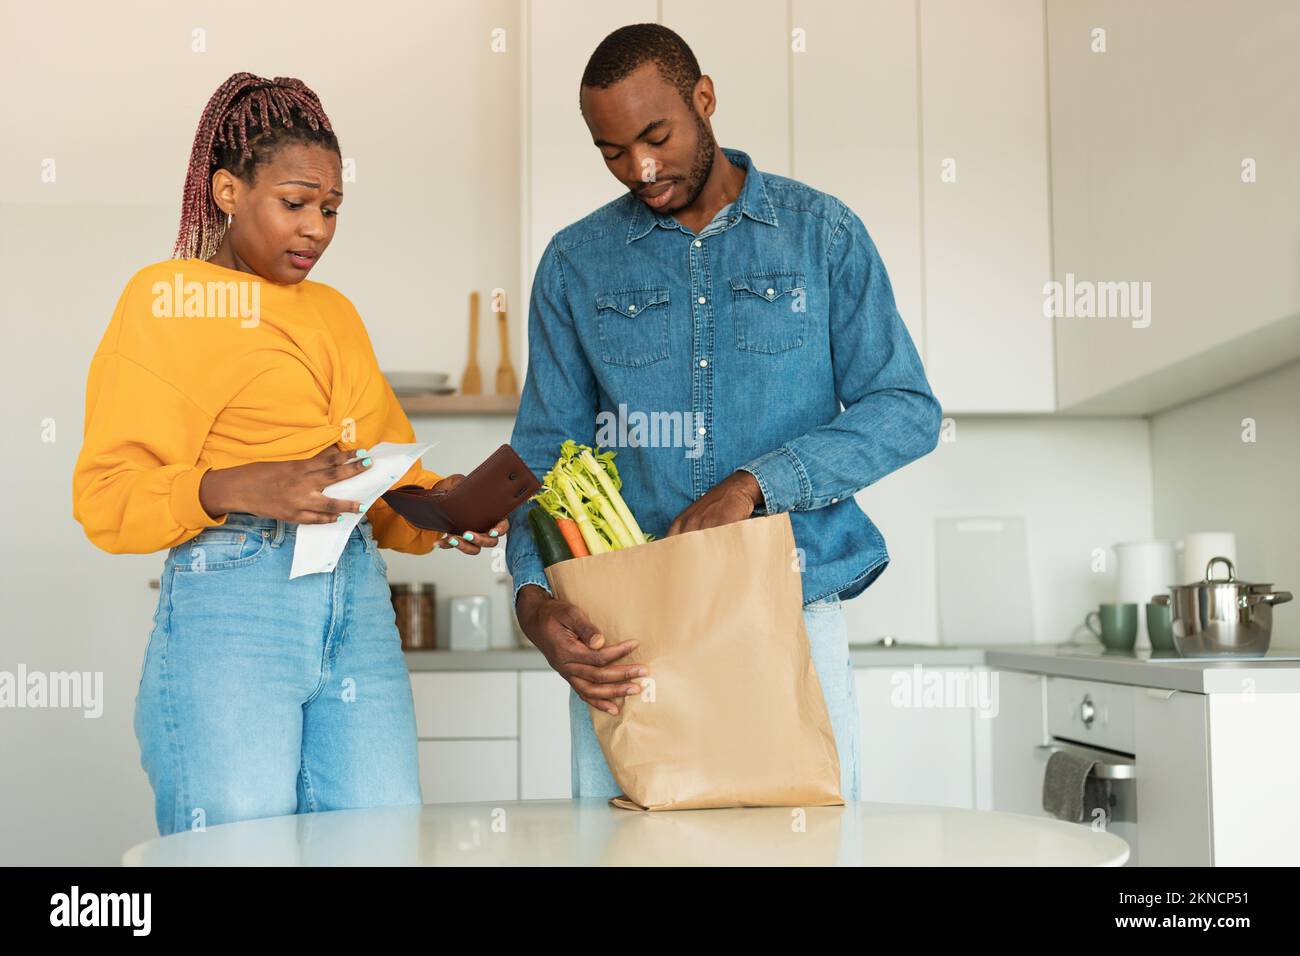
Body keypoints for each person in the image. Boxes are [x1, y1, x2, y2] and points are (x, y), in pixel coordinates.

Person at [506, 25, 943, 801]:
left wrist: (756, 483)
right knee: (623, 855)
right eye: (611, 151)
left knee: (808, 851)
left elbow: (906, 409)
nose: (639, 168)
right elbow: (545, 452)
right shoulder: (575, 263)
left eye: (656, 135)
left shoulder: (823, 235)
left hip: (793, 613)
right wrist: (533, 599)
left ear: (704, 100)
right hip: (631, 637)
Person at [71, 73, 504, 836]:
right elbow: (107, 496)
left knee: (381, 834)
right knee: (236, 841)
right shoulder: (166, 299)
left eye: (332, 209)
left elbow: (384, 467)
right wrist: (241, 485)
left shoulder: (336, 313)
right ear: (229, 191)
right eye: (296, 203)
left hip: (358, 600)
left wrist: (442, 508)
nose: (317, 229)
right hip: (235, 601)